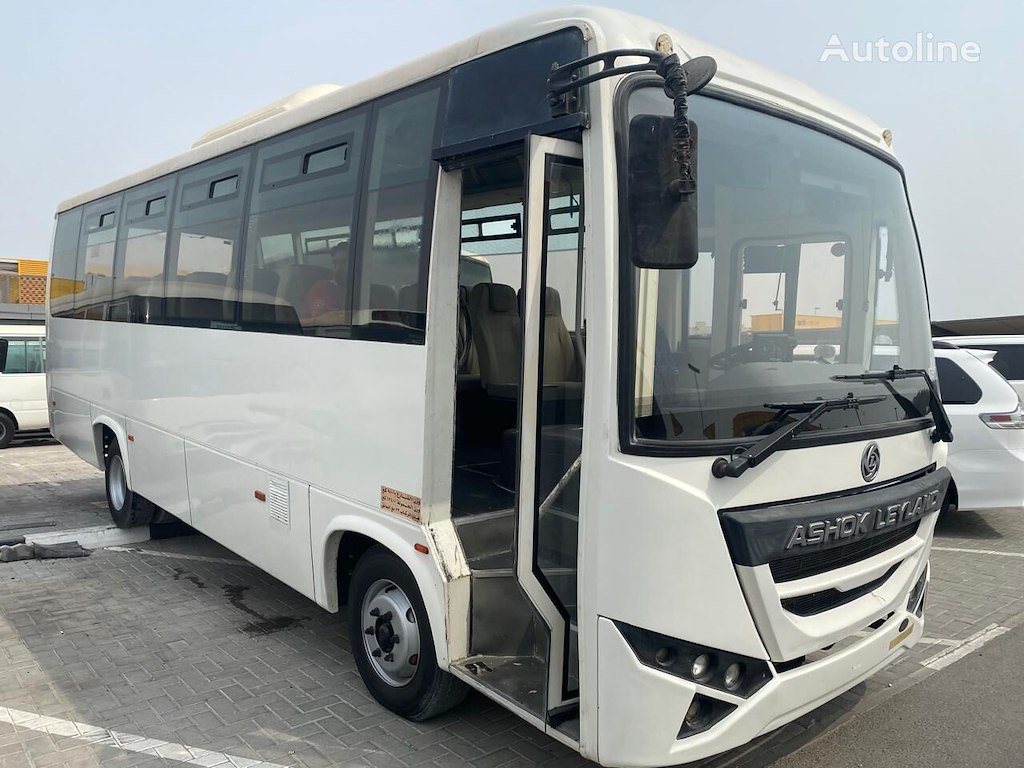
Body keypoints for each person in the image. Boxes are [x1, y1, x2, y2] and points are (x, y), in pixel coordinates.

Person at [303, 242, 349, 319]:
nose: (338, 268)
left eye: (344, 262)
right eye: (335, 263)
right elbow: (324, 322)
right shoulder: (323, 288)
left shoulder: (361, 291)